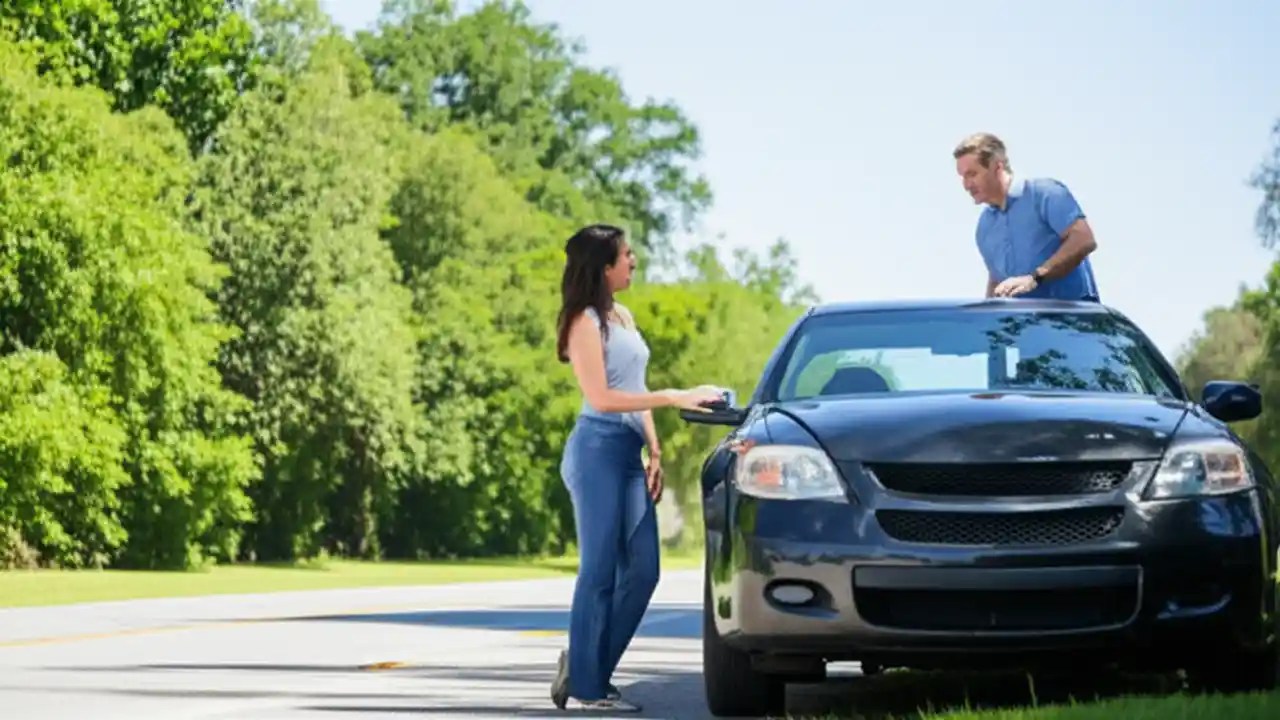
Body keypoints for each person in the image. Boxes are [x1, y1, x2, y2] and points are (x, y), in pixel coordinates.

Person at [550, 223, 723, 712]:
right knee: (599, 571)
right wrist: (674, 397)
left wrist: (654, 448)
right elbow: (602, 397)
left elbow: (634, 384)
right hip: (596, 451)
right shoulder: (585, 322)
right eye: (626, 255)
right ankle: (588, 688)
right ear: (604, 267)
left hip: (628, 452)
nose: (634, 261)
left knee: (644, 571)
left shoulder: (621, 316)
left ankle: (585, 666)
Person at [953, 132, 1101, 301]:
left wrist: (1035, 278)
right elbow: (996, 281)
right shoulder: (984, 227)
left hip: (1072, 321)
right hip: (1025, 325)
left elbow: (1084, 239)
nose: (966, 185)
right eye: (962, 177)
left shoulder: (1044, 194)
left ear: (997, 168)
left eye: (972, 174)